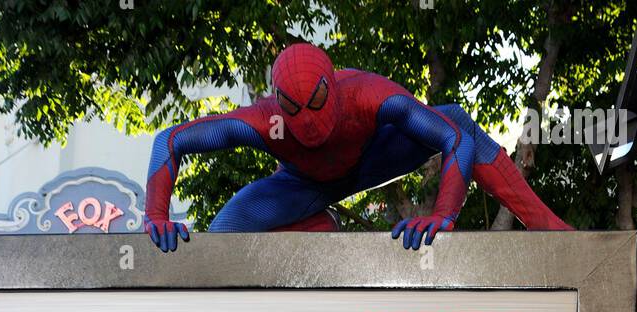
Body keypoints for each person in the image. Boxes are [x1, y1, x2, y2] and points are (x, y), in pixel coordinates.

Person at [143, 39, 571, 253]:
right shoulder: (262, 120)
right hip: (304, 184)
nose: (310, 123)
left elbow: (453, 137)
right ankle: (318, 226)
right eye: (295, 109)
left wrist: (443, 215)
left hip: (372, 159)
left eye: (317, 102)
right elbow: (170, 140)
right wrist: (156, 217)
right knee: (221, 238)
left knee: (455, 120)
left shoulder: (368, 94)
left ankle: (550, 228)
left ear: (333, 87)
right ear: (278, 103)